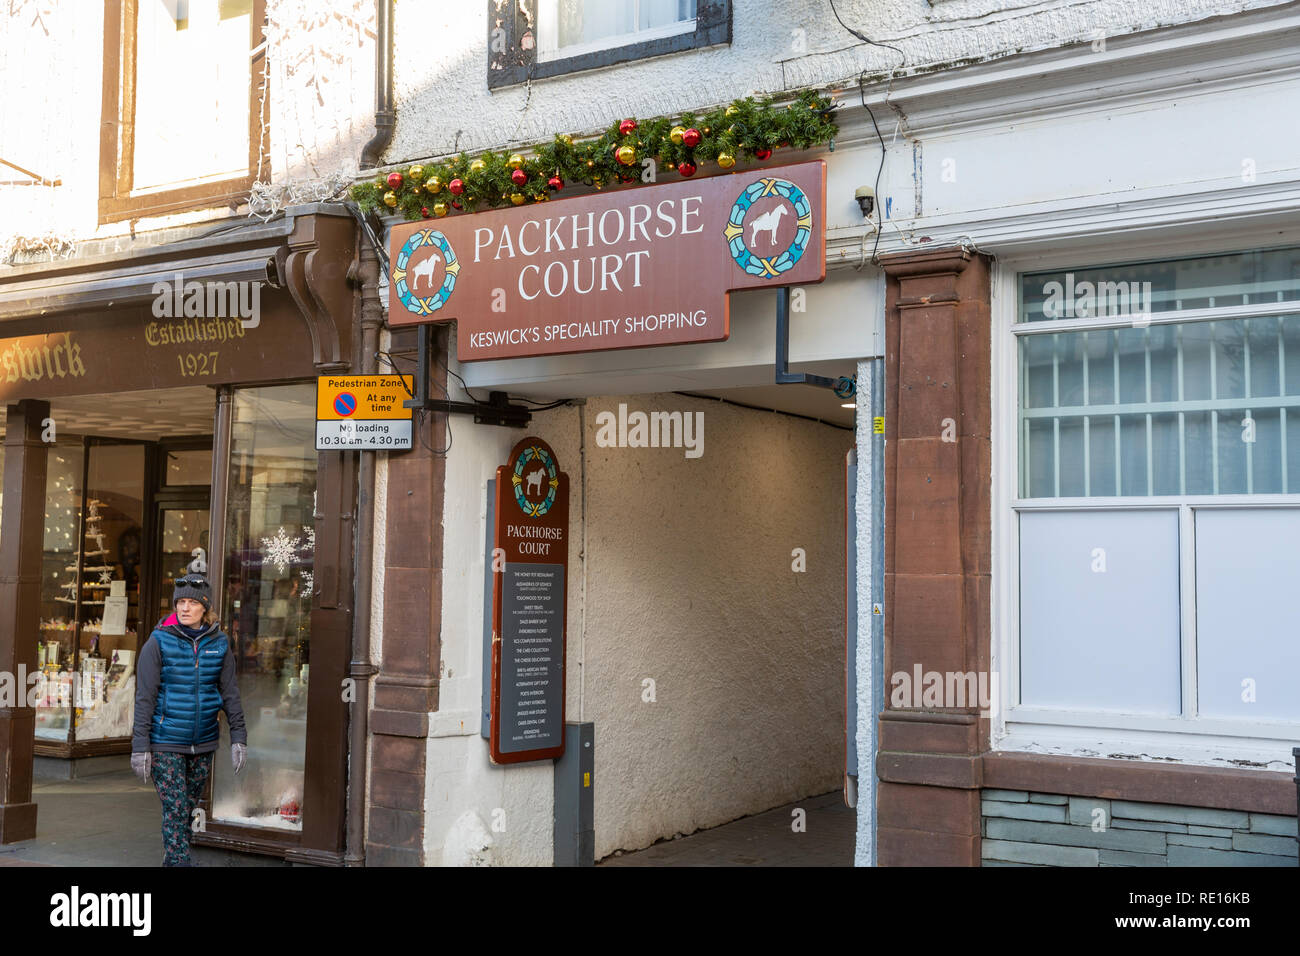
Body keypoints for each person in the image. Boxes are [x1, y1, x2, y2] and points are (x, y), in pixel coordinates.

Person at [130, 574, 247, 866]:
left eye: (192, 603)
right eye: (180, 602)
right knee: (176, 807)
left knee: (187, 809)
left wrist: (239, 737)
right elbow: (145, 696)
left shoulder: (219, 643)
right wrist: (140, 746)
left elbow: (230, 692)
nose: (184, 608)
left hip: (203, 742)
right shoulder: (157, 642)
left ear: (204, 608)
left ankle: (172, 859)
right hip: (166, 741)